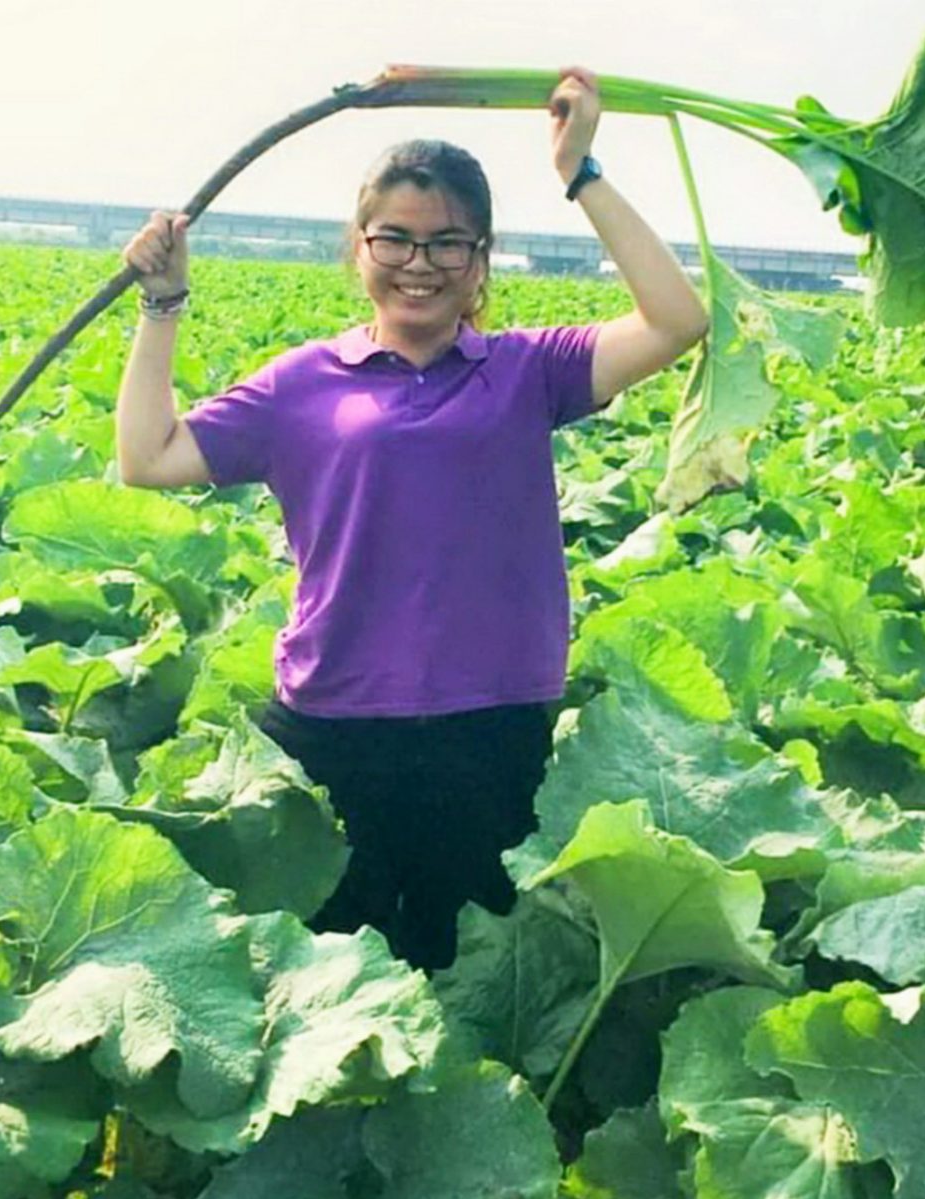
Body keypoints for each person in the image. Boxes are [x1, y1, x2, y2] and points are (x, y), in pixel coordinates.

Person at [114, 68, 708, 970]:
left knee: (465, 965)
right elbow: (148, 457)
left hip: (490, 724)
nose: (419, 265)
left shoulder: (528, 371)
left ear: (481, 258)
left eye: (447, 243)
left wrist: (579, 170)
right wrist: (162, 305)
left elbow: (676, 319)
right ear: (358, 248)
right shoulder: (302, 384)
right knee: (322, 970)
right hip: (337, 716)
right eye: (394, 238)